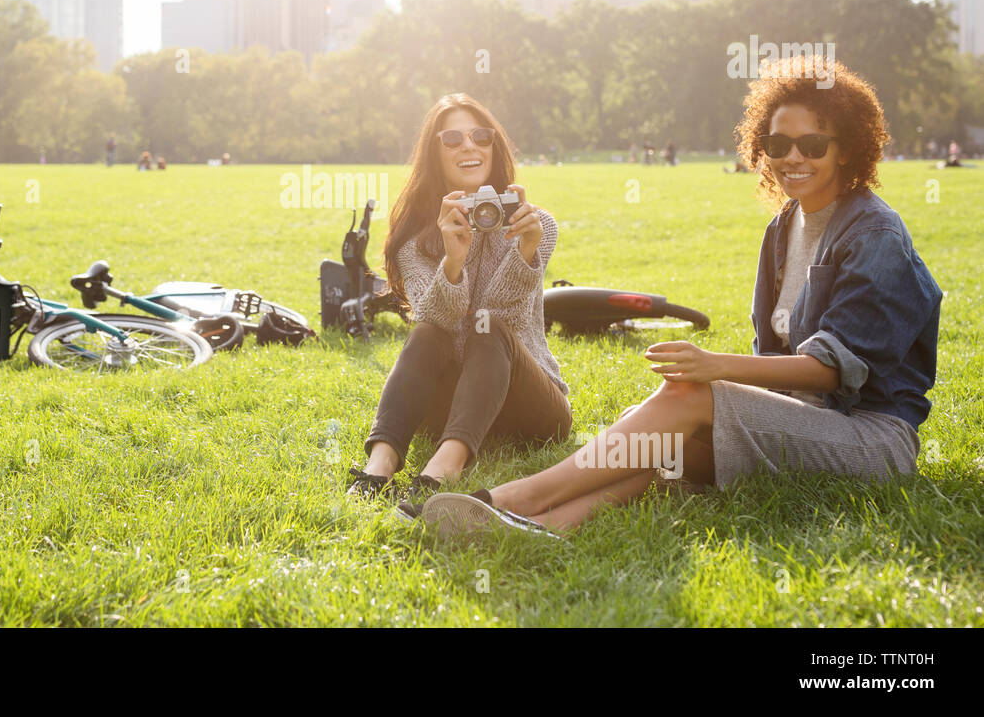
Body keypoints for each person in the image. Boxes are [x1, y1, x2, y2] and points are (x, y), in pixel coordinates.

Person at [417, 57, 941, 539]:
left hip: (869, 439)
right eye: (779, 145)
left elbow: (832, 371)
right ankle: (545, 526)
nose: (793, 158)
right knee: (653, 441)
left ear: (847, 147)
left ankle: (505, 499)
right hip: (799, 420)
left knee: (686, 399)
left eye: (814, 145)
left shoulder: (874, 236)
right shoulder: (784, 226)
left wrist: (712, 368)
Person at [347, 92, 573, 509]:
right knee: (427, 332)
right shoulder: (413, 242)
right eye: (452, 139)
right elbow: (437, 321)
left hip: (531, 409)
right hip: (455, 405)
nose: (469, 146)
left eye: (480, 136)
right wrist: (453, 259)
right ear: (435, 155)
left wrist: (525, 252)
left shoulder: (536, 224)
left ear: (494, 146)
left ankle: (445, 468)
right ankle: (379, 464)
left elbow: (498, 320)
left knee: (488, 328)